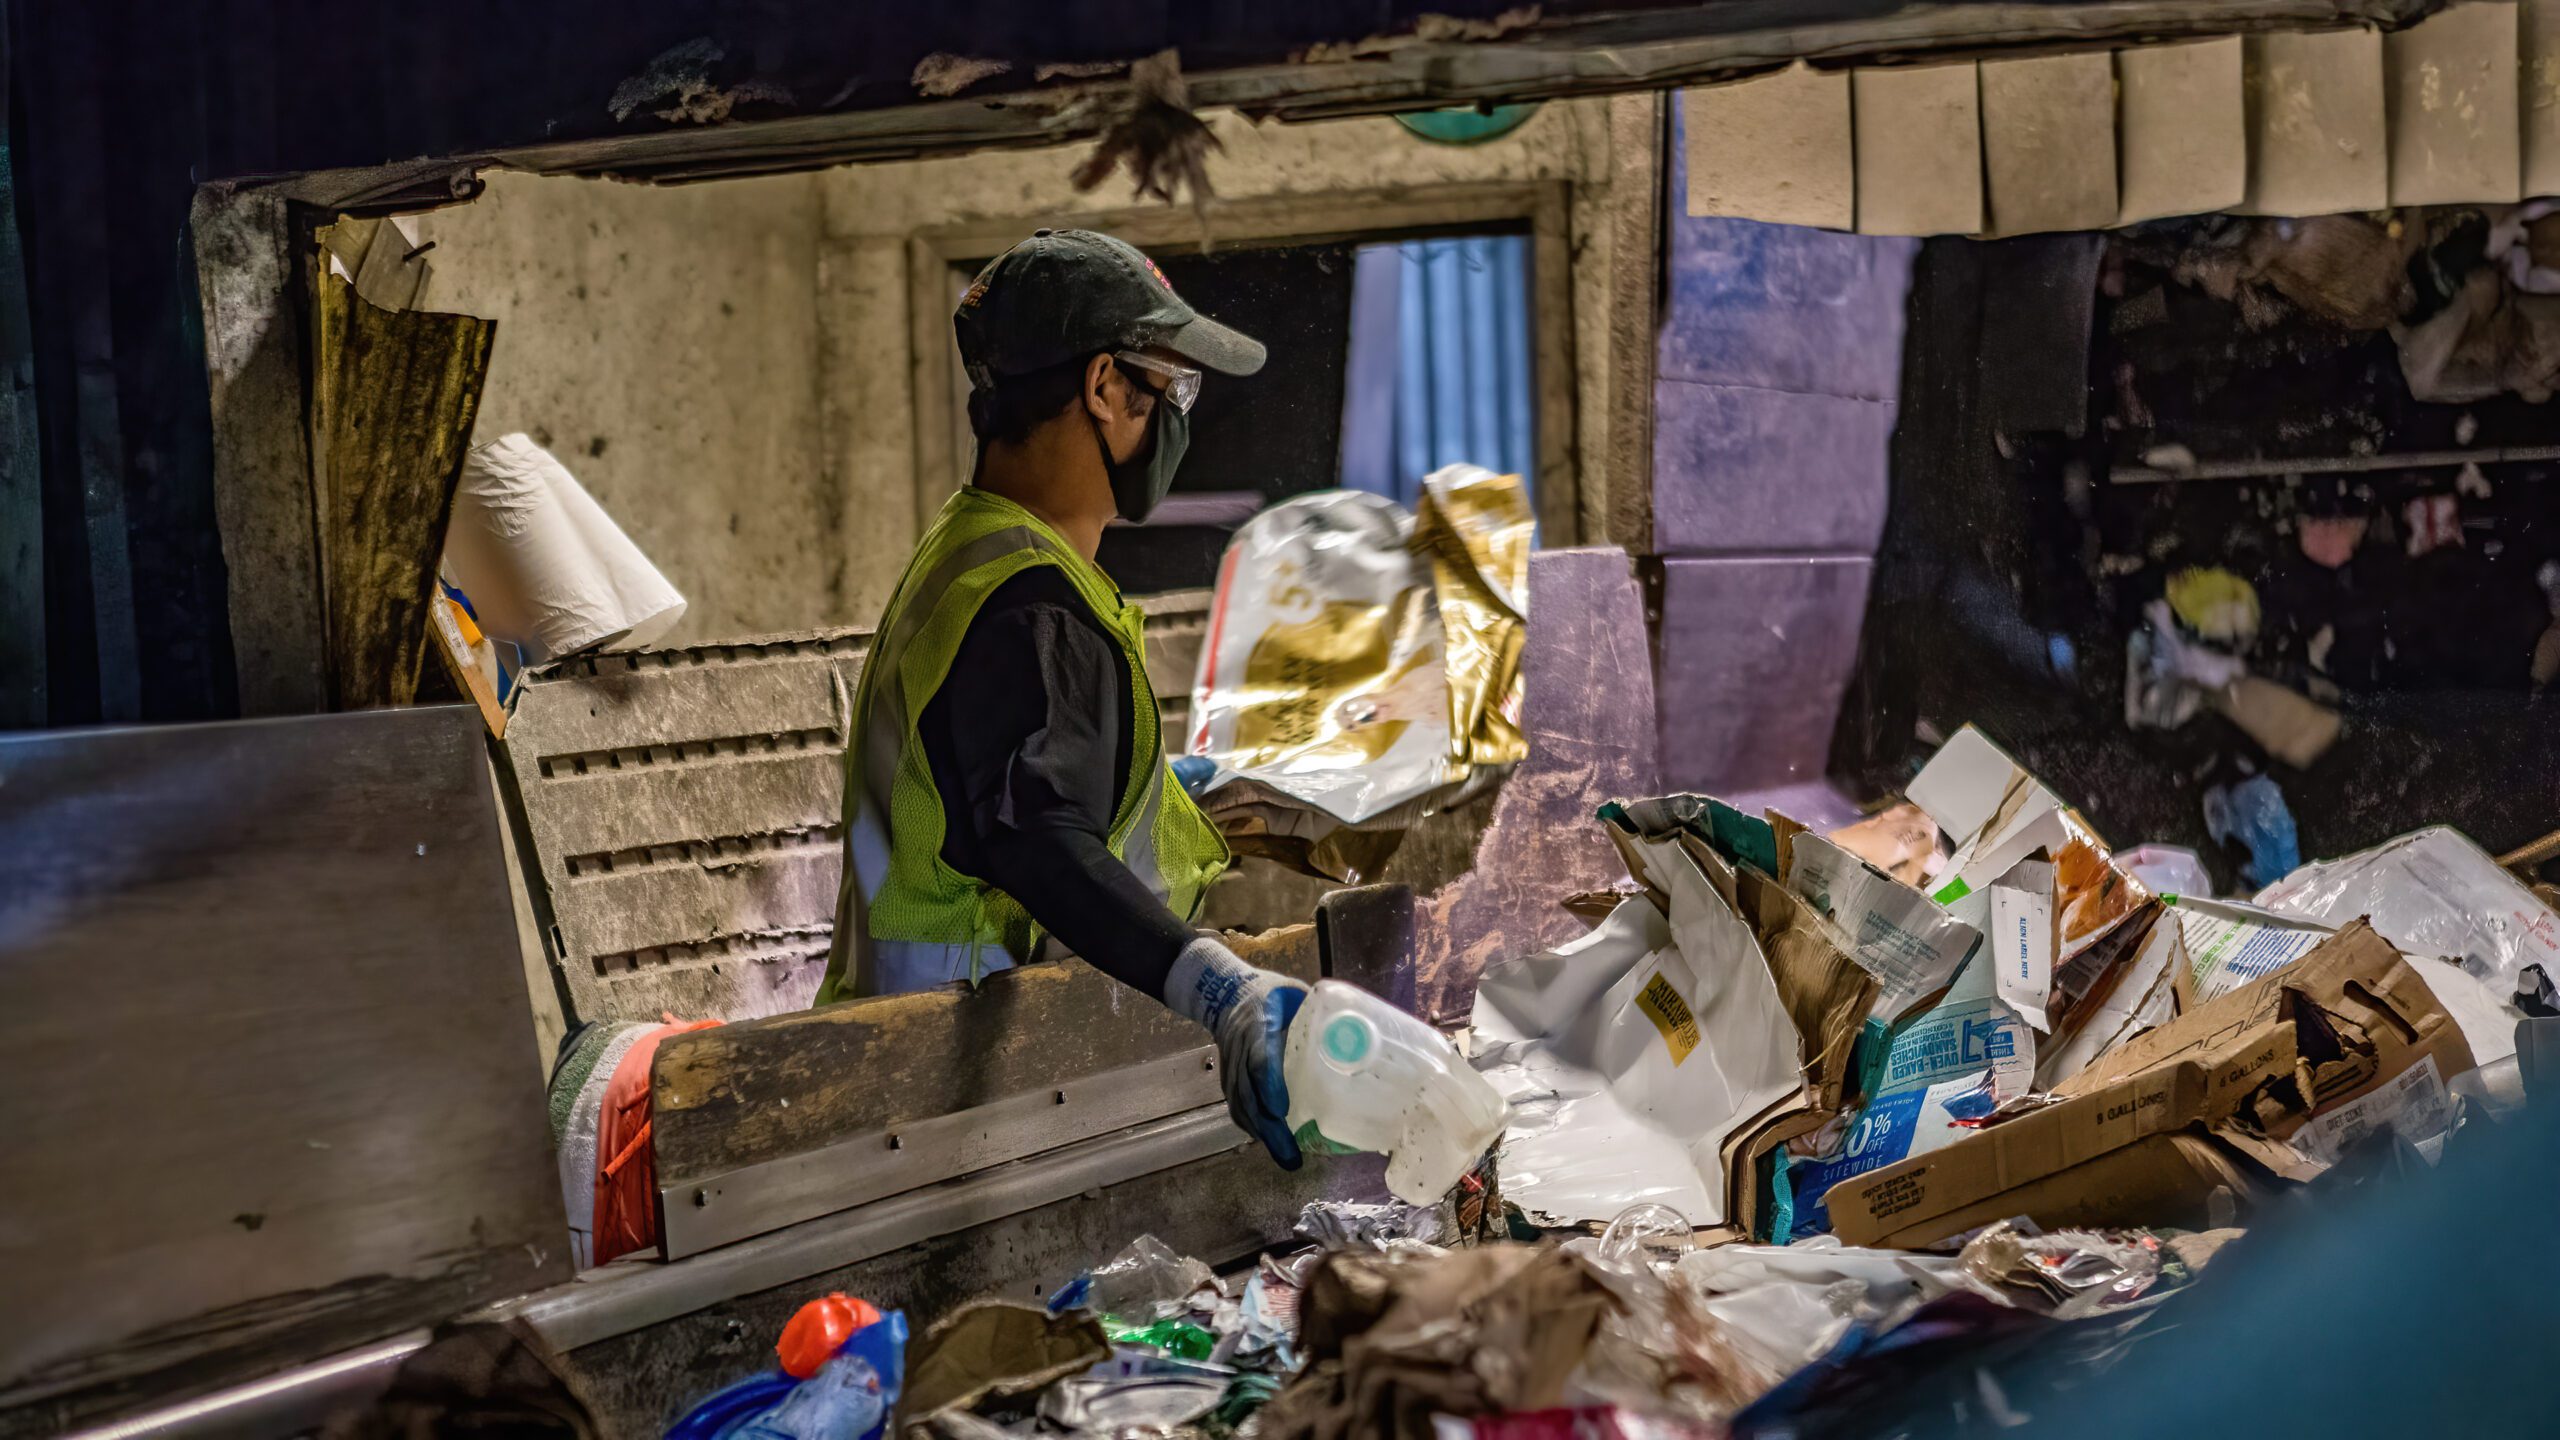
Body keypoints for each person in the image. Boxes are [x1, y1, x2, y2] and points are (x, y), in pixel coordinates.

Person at [815, 228, 1307, 1169]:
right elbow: (1037, 838)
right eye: (1171, 388)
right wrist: (1219, 989)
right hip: (959, 1095)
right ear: (1104, 388)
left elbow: (985, 793)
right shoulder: (1030, 604)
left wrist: (1158, 791)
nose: (1177, 420)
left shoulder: (972, 551)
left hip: (904, 1065)